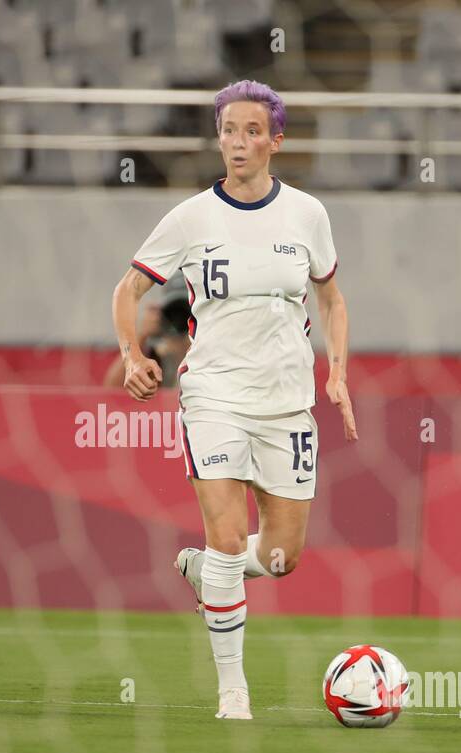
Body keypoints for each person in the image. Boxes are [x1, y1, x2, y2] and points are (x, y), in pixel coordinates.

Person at [111, 79, 358, 720]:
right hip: (214, 394)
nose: (238, 142)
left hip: (286, 402)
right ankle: (233, 695)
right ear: (217, 137)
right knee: (226, 539)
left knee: (281, 558)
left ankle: (207, 571)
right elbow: (127, 290)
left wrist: (337, 373)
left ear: (276, 140)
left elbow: (330, 298)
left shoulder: (307, 214)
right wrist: (132, 354)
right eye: (228, 130)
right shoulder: (191, 217)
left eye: (252, 131)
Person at [103, 271, 192, 389]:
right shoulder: (156, 357)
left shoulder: (212, 349)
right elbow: (112, 391)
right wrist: (141, 336)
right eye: (174, 311)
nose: (181, 318)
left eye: (188, 311)